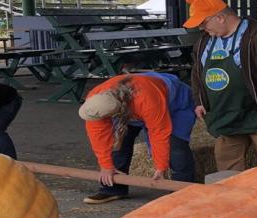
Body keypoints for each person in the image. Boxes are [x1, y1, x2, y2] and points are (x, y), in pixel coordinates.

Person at [185, 0, 257, 172]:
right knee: (227, 168)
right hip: (226, 116)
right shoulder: (204, 42)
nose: (201, 28)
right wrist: (199, 101)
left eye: (203, 23)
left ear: (220, 17)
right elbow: (197, 74)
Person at [77, 72, 197, 204]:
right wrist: (106, 166)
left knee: (176, 146)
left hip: (172, 104)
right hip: (129, 105)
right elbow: (98, 135)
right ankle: (113, 189)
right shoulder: (95, 102)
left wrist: (161, 167)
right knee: (117, 143)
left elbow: (159, 132)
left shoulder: (147, 101)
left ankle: (182, 191)